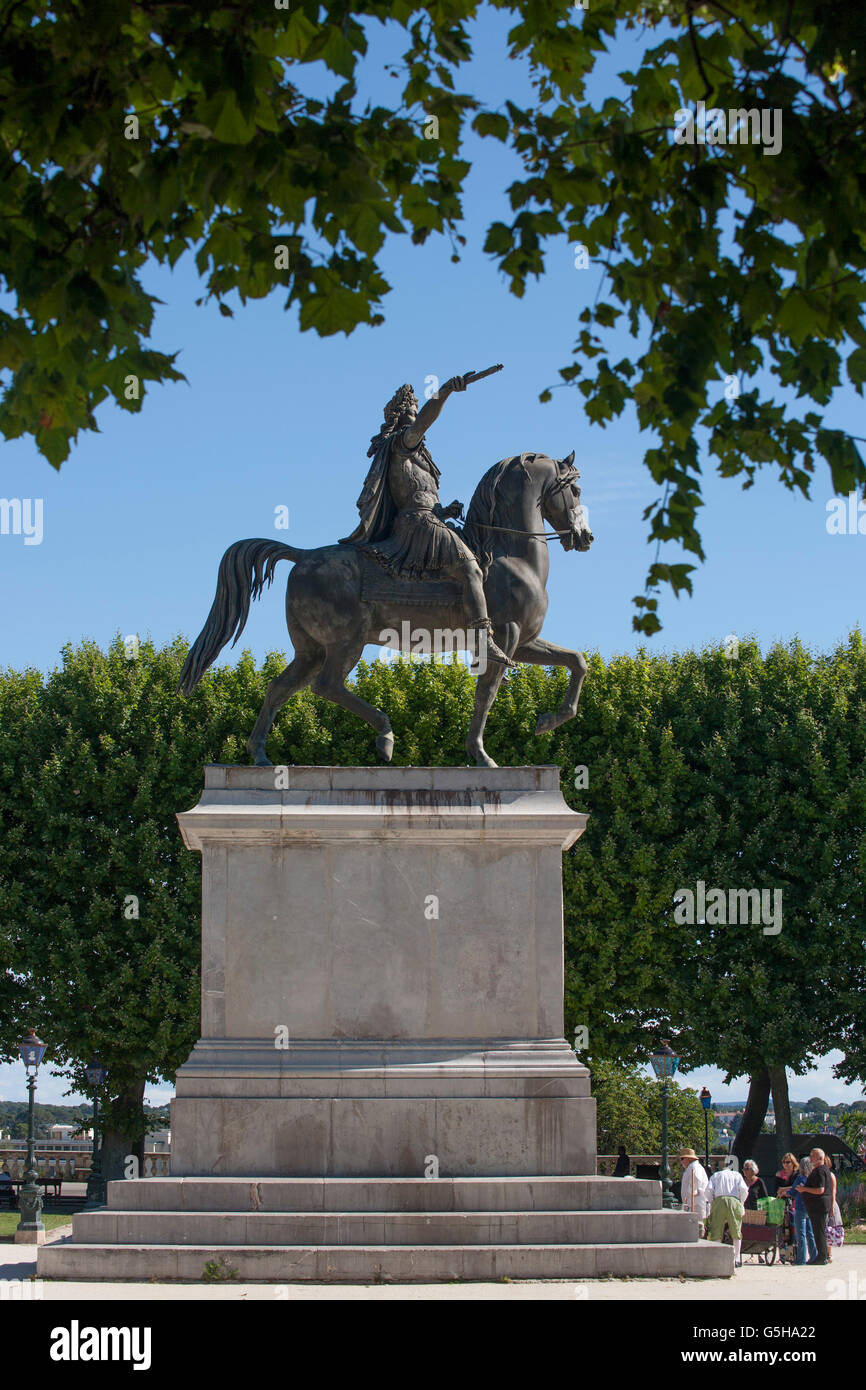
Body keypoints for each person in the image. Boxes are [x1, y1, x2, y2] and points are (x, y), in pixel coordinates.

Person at [341, 375, 513, 666]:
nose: (416, 418)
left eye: (416, 411)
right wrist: (445, 392)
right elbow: (424, 423)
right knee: (471, 570)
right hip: (418, 526)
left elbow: (416, 493)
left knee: (482, 559)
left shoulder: (420, 458)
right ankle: (482, 642)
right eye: (411, 413)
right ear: (401, 418)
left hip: (431, 520)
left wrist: (444, 511)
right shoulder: (401, 443)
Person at [775, 1153, 816, 1265]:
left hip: (800, 1207)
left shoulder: (800, 1178)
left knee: (800, 1234)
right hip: (810, 1207)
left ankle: (801, 1259)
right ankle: (814, 1256)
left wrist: (785, 1193)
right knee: (810, 1233)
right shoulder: (811, 1178)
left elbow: (793, 1192)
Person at [706, 1164, 750, 1266]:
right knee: (736, 1230)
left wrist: (713, 1202)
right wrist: (741, 1202)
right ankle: (736, 1259)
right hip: (734, 1200)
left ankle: (717, 1258)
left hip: (719, 1199)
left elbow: (708, 1190)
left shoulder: (716, 1175)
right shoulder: (737, 1175)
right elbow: (744, 1190)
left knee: (716, 1230)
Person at [798, 1147, 832, 1264]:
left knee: (819, 1231)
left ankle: (822, 1257)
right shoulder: (822, 1170)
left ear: (820, 1158)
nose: (810, 1158)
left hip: (819, 1206)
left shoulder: (820, 1171)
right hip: (817, 1206)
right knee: (818, 1231)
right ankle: (822, 1255)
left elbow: (820, 1190)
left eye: (813, 1156)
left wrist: (804, 1189)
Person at [678, 1147, 709, 1222]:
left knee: (696, 1224)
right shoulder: (692, 1167)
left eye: (682, 1159)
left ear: (688, 1159)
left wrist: (690, 1194)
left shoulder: (694, 1167)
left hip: (695, 1203)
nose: (681, 1162)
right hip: (693, 1202)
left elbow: (695, 1181)